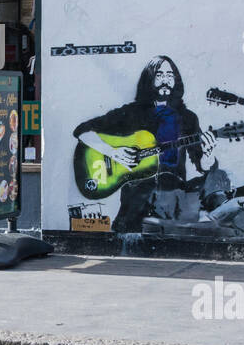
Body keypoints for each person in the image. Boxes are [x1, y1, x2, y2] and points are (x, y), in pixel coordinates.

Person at [73, 55, 222, 232]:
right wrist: (113, 152)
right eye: (159, 75)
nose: (165, 80)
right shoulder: (132, 112)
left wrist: (208, 154)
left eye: (170, 75)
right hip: (135, 205)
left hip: (171, 203)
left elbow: (202, 165)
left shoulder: (188, 118)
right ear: (149, 79)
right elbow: (82, 131)